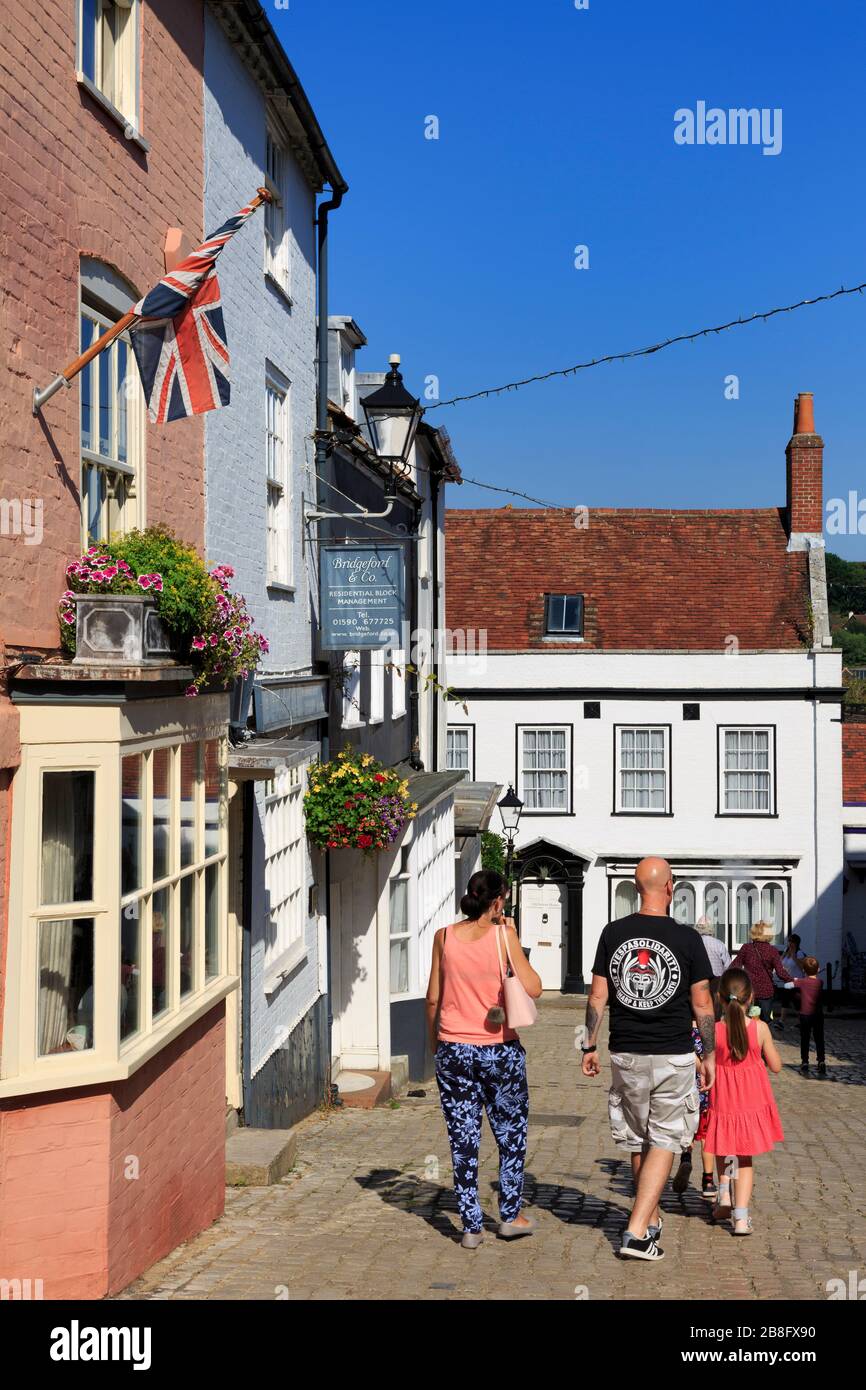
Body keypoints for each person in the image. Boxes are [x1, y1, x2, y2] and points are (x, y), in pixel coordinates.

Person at [582, 857, 716, 1262]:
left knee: (640, 1138)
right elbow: (703, 1003)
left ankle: (651, 1216)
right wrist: (707, 1054)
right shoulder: (687, 939)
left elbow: (597, 997)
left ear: (637, 888)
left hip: (625, 1052)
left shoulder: (613, 933)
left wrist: (588, 1045)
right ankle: (637, 1232)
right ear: (670, 887)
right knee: (665, 1138)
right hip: (673, 1053)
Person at [425, 869, 543, 1249]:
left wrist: (435, 1044)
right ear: (496, 901)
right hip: (499, 1052)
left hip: (453, 1049)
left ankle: (471, 1226)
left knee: (463, 1137)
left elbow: (432, 997)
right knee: (510, 1134)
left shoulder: (443, 937)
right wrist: (513, 939)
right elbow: (535, 988)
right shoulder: (503, 936)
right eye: (503, 899)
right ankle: (509, 1216)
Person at [703, 968, 784, 1235]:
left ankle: (724, 1194)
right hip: (750, 1102)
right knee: (744, 1159)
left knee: (724, 1147)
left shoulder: (714, 1030)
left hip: (723, 1100)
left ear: (719, 998)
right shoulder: (759, 1028)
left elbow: (707, 1065)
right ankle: (740, 1218)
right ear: (751, 998)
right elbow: (776, 1066)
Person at [672, 1020, 716, 1200]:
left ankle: (686, 1159)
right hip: (707, 1092)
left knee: (687, 1132)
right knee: (706, 1136)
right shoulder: (712, 1032)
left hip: (686, 1091)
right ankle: (708, 1181)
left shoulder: (682, 1030)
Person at [731, 921, 792, 1024]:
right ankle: (762, 1038)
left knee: (752, 1021)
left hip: (750, 992)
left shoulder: (746, 948)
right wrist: (792, 980)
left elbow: (734, 967)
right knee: (764, 1022)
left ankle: (752, 1039)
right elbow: (780, 973)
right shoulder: (772, 950)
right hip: (766, 993)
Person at [783, 956, 826, 1076]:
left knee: (805, 1039)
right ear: (818, 970)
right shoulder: (820, 982)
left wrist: (795, 979)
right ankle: (821, 1061)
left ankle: (805, 1061)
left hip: (804, 1015)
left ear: (803, 970)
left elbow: (787, 986)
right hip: (818, 1015)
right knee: (819, 1038)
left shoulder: (802, 982)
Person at [694, 916, 731, 1007]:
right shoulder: (719, 944)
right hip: (716, 981)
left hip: (698, 980)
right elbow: (728, 965)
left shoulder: (693, 943)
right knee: (716, 1006)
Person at [773, 934, 805, 1033]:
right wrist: (784, 955)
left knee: (789, 1001)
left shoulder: (800, 953)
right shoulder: (786, 952)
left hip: (797, 981)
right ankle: (801, 1022)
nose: (790, 943)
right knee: (794, 1002)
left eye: (792, 942)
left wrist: (794, 956)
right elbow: (780, 963)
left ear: (796, 943)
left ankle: (782, 1021)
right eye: (789, 941)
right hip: (787, 981)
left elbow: (802, 968)